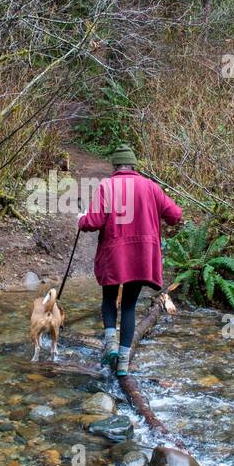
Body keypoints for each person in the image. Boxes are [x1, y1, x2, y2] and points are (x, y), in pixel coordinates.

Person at [78, 143, 183, 376]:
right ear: (134, 166)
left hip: (114, 256)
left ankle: (110, 346)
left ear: (115, 166)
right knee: (128, 305)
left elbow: (93, 222)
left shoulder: (107, 186)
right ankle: (123, 364)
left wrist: (81, 220)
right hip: (141, 257)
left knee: (108, 300)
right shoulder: (151, 187)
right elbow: (175, 215)